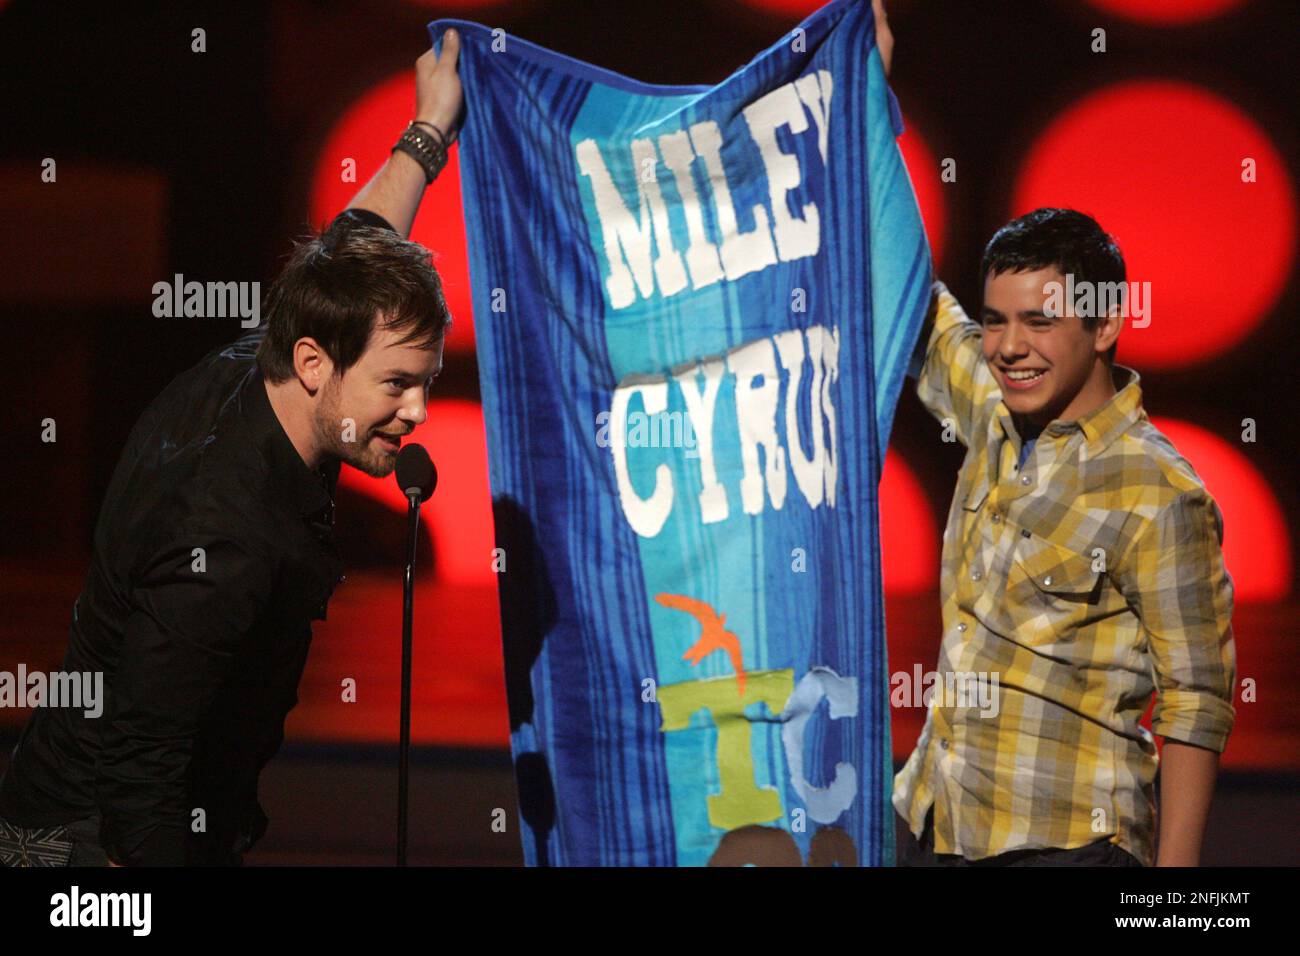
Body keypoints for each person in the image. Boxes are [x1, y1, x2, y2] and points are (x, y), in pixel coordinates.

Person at [0, 30, 468, 867]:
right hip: (87, 844)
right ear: (317, 364)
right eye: (397, 384)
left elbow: (359, 237)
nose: (419, 411)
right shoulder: (225, 541)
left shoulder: (286, 341)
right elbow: (138, 785)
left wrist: (428, 131)